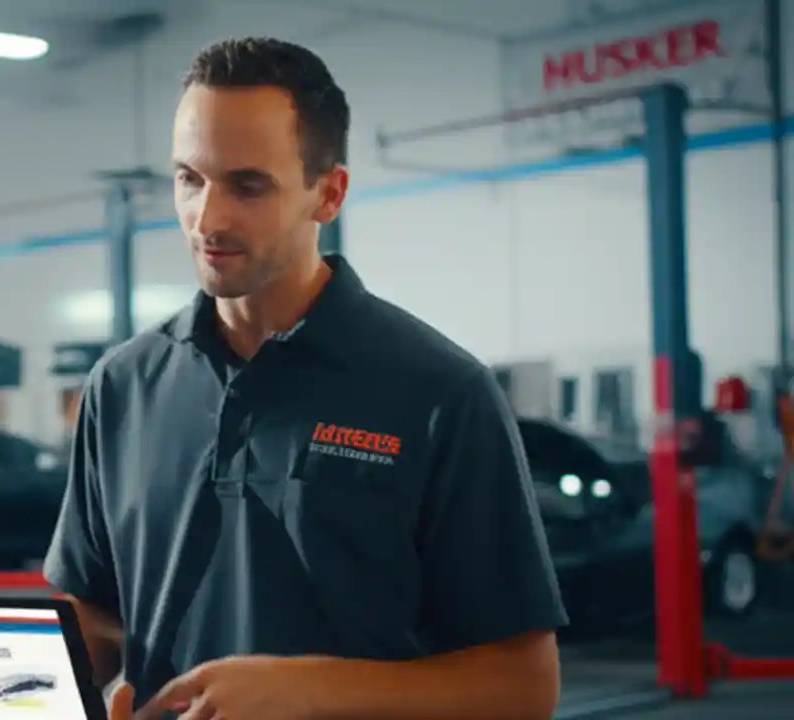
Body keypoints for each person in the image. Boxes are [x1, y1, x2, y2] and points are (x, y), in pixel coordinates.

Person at [45, 37, 569, 720]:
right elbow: (94, 607)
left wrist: (309, 691)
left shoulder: (440, 392)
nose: (208, 218)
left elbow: (523, 688)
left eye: (248, 184)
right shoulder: (122, 385)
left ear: (329, 193)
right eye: (189, 178)